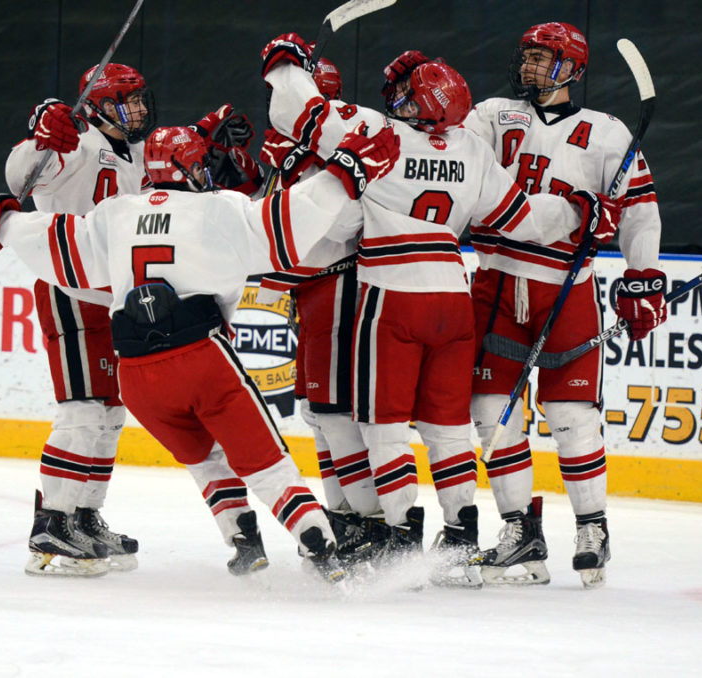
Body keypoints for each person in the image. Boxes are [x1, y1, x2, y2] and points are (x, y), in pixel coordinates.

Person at [0, 121, 402, 582]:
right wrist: (345, 171)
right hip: (201, 358)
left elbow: (61, 245)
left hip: (135, 374)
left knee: (203, 458)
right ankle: (319, 544)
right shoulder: (221, 209)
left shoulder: (115, 212)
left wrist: (3, 220)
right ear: (189, 168)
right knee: (265, 462)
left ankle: (242, 538)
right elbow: (291, 221)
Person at [261, 34, 612, 585]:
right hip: (452, 302)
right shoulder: (473, 152)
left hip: (392, 298)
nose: (396, 99)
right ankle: (460, 537)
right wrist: (579, 209)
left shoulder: (381, 134)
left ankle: (402, 537)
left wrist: (284, 64)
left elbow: (296, 112)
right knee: (448, 428)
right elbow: (525, 217)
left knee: (384, 427)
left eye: (405, 94)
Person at [5, 63, 266, 577]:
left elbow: (183, 156)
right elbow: (21, 175)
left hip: (116, 300)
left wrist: (213, 133)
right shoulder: (75, 144)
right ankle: (51, 523)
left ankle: (83, 514)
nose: (141, 111)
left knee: (107, 414)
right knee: (82, 409)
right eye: (127, 102)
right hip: (70, 291)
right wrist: (41, 135)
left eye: (142, 100)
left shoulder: (142, 153)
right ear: (97, 105)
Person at [460, 22, 664, 588]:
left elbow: (640, 210)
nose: (528, 66)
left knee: (572, 419)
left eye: (542, 58)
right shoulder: (489, 115)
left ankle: (592, 527)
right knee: (490, 414)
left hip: (566, 291)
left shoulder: (607, 132)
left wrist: (643, 275)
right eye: (525, 55)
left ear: (572, 69)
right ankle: (519, 534)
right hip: (495, 285)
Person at [258, 57, 389, 566]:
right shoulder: (298, 149)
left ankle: (371, 523)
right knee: (318, 415)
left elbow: (341, 225)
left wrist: (305, 175)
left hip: (341, 285)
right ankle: (343, 516)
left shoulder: (349, 144)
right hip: (309, 290)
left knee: (338, 416)